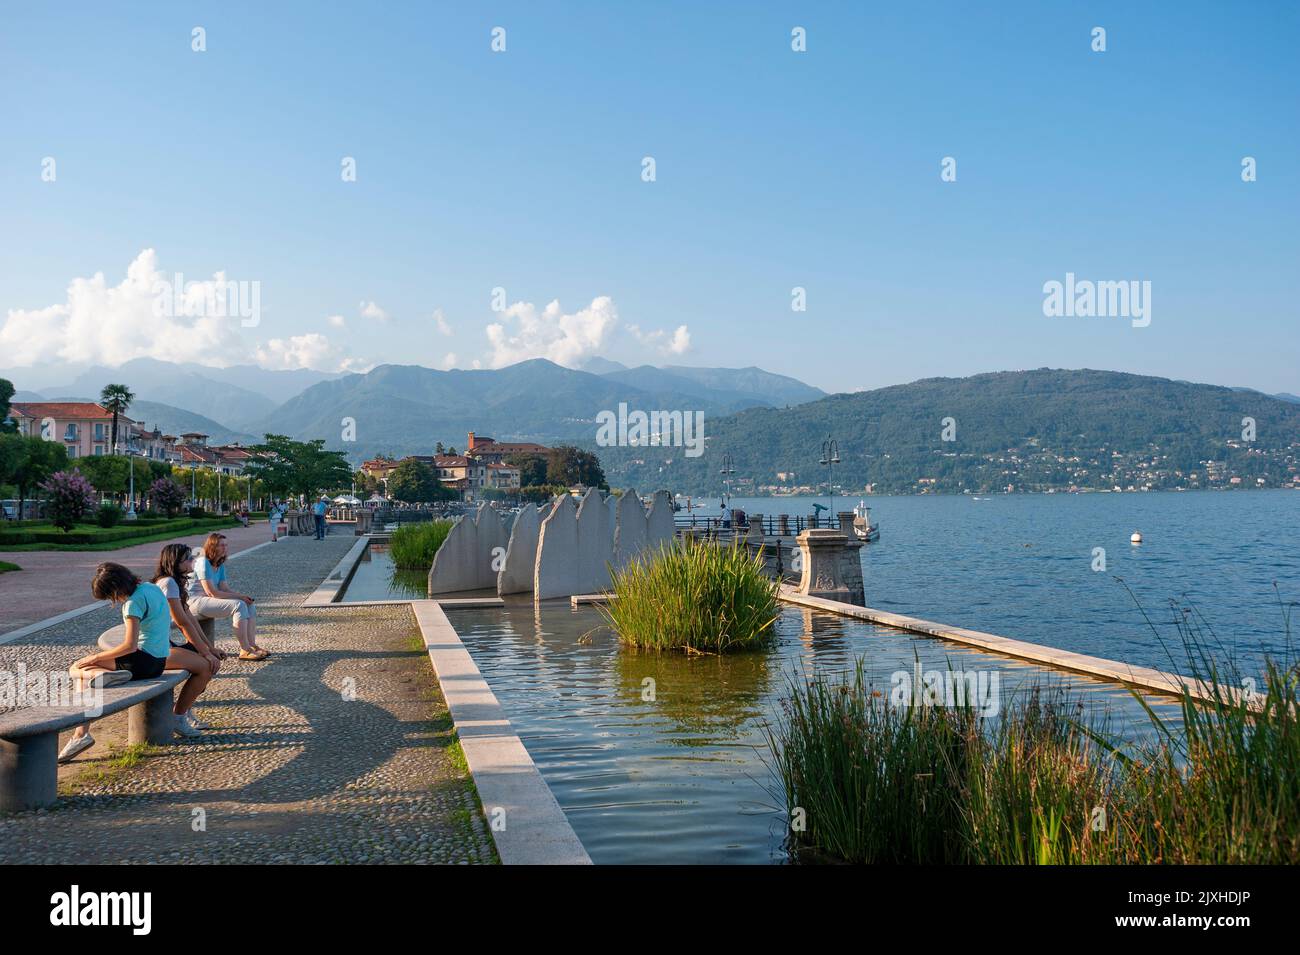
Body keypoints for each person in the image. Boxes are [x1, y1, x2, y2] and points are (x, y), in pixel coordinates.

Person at [58, 562, 217, 762]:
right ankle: (178, 716)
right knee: (205, 667)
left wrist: (95, 657)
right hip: (159, 661)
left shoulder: (132, 604)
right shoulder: (152, 588)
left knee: (77, 668)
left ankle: (81, 734)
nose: (112, 601)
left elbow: (130, 646)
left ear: (115, 589)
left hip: (141, 663)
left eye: (110, 596)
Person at [188, 532, 268, 660]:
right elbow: (211, 592)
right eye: (221, 545)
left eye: (226, 545)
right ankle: (244, 650)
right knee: (238, 605)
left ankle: (252, 645)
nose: (225, 548)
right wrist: (239, 598)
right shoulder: (203, 562)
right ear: (212, 546)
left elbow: (224, 588)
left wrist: (242, 596)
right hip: (195, 602)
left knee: (248, 604)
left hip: (207, 600)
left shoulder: (219, 564)